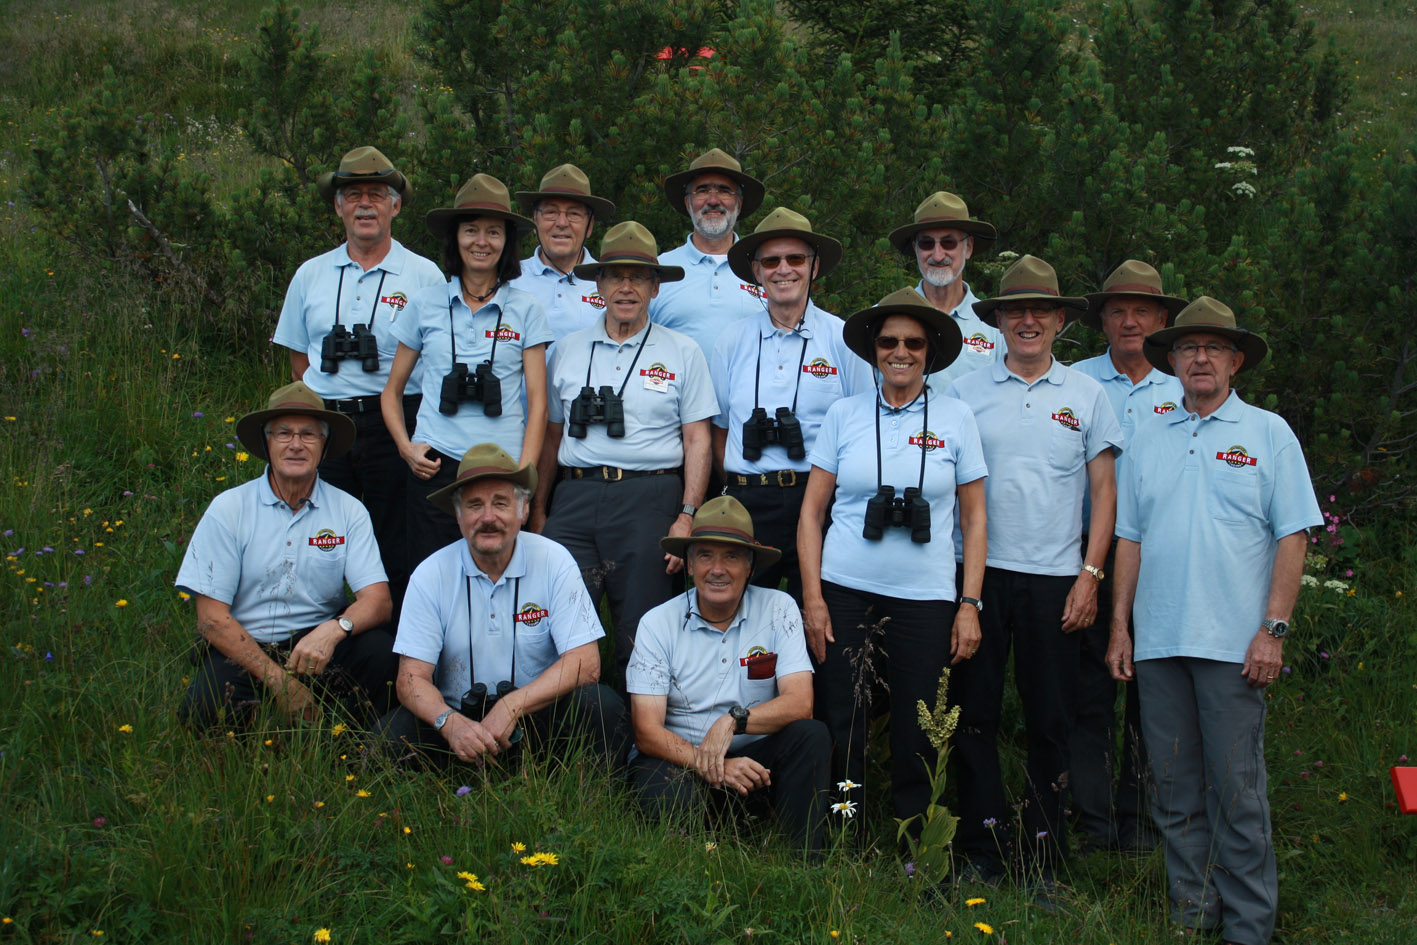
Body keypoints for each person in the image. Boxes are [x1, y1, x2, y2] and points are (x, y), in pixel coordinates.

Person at [1108, 297, 1320, 945]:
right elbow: (1128, 540)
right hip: (1158, 642)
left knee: (1236, 789)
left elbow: (1293, 535)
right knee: (1171, 790)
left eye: (1212, 347)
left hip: (1234, 644)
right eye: (1187, 348)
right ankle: (1191, 913)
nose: (1199, 358)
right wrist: (1119, 627)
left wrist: (1272, 629)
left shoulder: (1267, 432)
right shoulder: (1145, 440)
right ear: (1170, 360)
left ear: (1234, 360)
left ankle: (1249, 926)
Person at [945, 255, 1123, 890]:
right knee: (974, 718)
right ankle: (981, 852)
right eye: (1015, 311)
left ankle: (1044, 858)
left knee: (1051, 722)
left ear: (1059, 321)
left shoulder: (1087, 394)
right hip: (979, 578)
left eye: (1040, 311)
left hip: (1056, 579)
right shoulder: (964, 391)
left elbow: (1104, 495)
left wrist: (1091, 575)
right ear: (996, 321)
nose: (1027, 321)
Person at [797, 287, 988, 842]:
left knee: (917, 727)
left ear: (930, 352)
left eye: (912, 343)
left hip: (926, 599)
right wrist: (814, 599)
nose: (899, 352)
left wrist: (968, 603)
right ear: (873, 349)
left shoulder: (956, 417)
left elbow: (975, 520)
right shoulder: (844, 413)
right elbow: (812, 513)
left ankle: (912, 842)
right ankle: (845, 831)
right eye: (887, 342)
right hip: (845, 589)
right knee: (844, 721)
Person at [532, 221, 719, 684]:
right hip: (573, 498)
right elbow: (552, 436)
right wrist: (538, 509)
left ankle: (638, 742)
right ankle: (555, 734)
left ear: (655, 287)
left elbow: (697, 439)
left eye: (639, 277)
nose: (627, 287)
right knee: (552, 624)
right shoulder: (567, 350)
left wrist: (687, 515)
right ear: (599, 283)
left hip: (649, 498)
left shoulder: (682, 351)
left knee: (643, 628)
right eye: (616, 276)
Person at [378, 444, 628, 769]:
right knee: (389, 738)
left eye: (500, 503)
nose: (488, 518)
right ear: (458, 515)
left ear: (523, 510)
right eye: (474, 505)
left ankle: (574, 791)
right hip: (458, 725)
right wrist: (450, 723)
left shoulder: (555, 560)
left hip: (535, 717)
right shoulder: (430, 573)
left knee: (601, 705)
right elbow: (410, 678)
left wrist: (512, 706)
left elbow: (585, 663)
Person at [271, 146, 445, 609]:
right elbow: (297, 362)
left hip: (397, 423)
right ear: (338, 207)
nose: (364, 204)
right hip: (326, 423)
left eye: (375, 194)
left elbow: (440, 357)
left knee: (396, 532)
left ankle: (393, 645)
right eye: (352, 195)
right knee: (318, 528)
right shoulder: (311, 275)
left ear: (396, 206)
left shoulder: (424, 275)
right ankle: (314, 626)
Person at [175, 382, 395, 728]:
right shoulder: (229, 508)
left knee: (381, 655)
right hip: (246, 644)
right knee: (204, 710)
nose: (296, 445)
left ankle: (351, 747)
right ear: (267, 443)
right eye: (284, 433)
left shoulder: (348, 511)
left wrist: (334, 630)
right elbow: (211, 618)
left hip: (318, 643)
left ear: (324, 445)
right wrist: (279, 682)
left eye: (308, 434)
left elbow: (378, 601)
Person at [626, 496, 830, 853]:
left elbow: (801, 703)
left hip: (756, 763)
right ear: (689, 564)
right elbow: (646, 731)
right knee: (662, 791)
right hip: (682, 759)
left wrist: (733, 721)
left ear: (750, 565)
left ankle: (803, 863)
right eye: (705, 555)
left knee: (811, 735)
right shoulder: (657, 623)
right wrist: (715, 765)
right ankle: (684, 867)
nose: (717, 569)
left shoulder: (778, 608)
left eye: (732, 556)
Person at [1068, 259, 1187, 852]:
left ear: (1163, 319)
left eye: (1143, 309)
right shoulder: (1077, 382)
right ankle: (1092, 822)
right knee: (1089, 693)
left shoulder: (1184, 385)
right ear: (1103, 320)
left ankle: (1141, 820)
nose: (1130, 320)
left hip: (1162, 559)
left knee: (1153, 693)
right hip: (1092, 557)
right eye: (1118, 309)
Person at [382, 173, 552, 572]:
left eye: (493, 232)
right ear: (455, 238)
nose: (482, 242)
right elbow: (391, 392)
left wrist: (524, 477)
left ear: (507, 242)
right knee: (429, 573)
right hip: (436, 464)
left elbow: (539, 401)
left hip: (502, 467)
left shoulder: (526, 309)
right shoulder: (425, 304)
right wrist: (407, 449)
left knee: (502, 574)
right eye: (471, 230)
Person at [712, 208, 872, 601]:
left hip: (818, 501)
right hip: (747, 502)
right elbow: (718, 431)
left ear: (814, 268)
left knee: (818, 620)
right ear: (757, 271)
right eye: (771, 261)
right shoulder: (731, 341)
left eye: (795, 259)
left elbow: (863, 430)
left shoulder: (843, 338)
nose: (784, 270)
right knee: (739, 620)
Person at [649, 148, 767, 357]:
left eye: (724, 190)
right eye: (702, 190)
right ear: (688, 203)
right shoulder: (658, 270)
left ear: (739, 204)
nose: (713, 200)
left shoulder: (769, 270)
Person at [886, 191, 1006, 388]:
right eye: (927, 243)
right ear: (915, 248)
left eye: (948, 242)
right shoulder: (884, 318)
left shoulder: (994, 325)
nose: (938, 255)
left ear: (968, 248)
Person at [509, 163, 616, 343]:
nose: (562, 222)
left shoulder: (612, 285)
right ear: (535, 221)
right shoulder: (509, 278)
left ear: (589, 226)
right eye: (551, 212)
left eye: (574, 214)